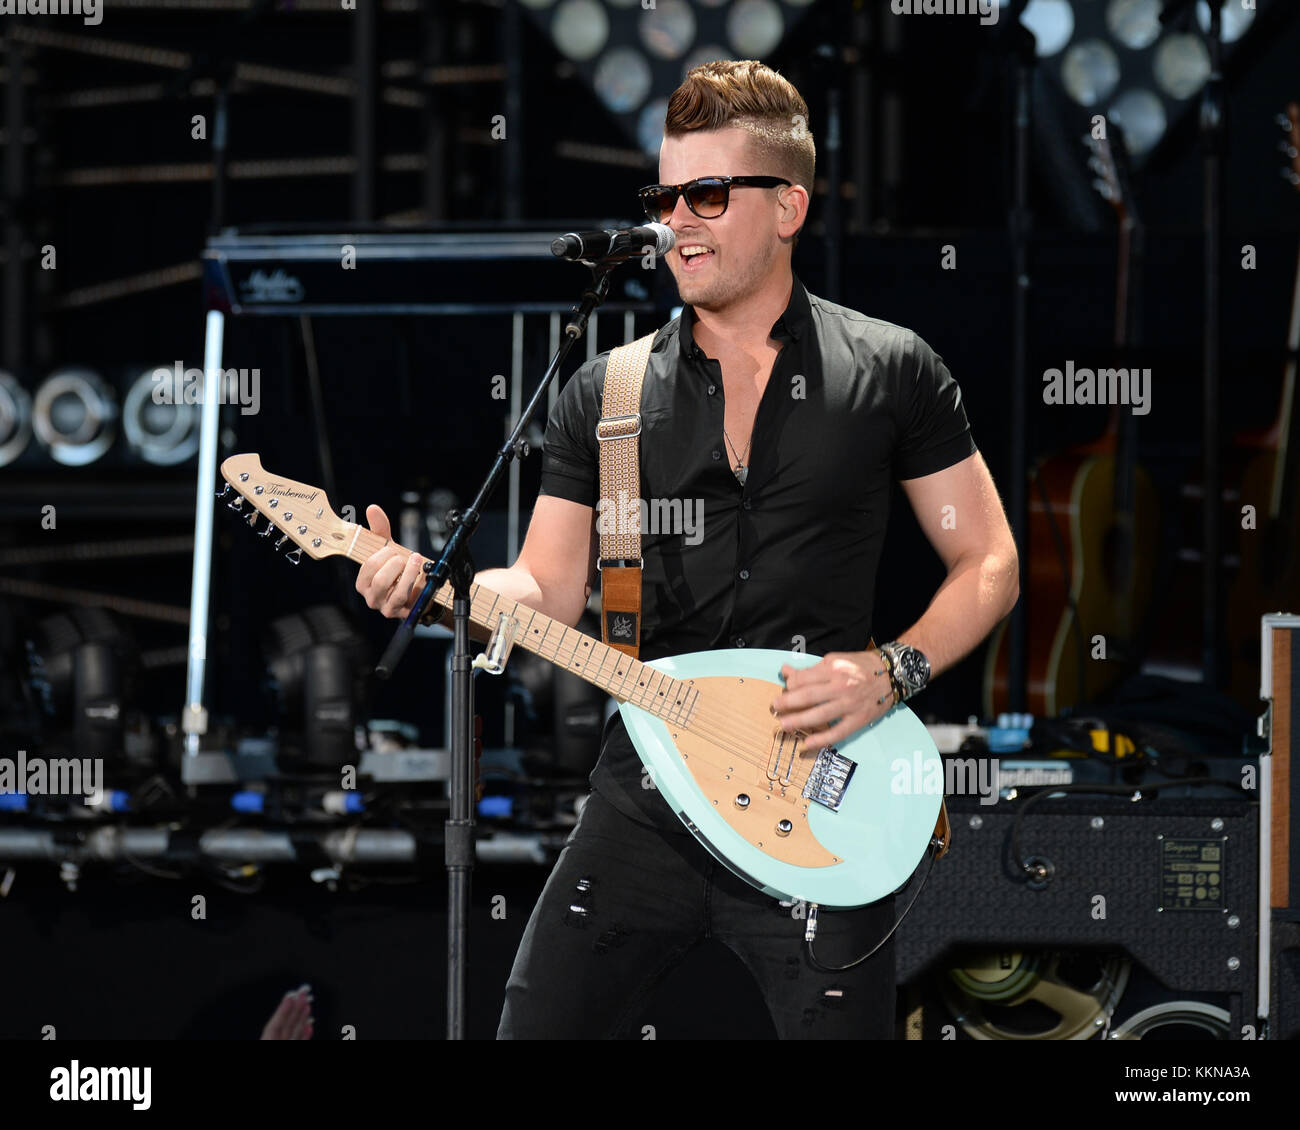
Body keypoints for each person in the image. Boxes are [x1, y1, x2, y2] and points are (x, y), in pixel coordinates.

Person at [356, 60, 1019, 1039]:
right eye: (663, 194)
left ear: (788, 205)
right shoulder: (607, 393)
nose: (676, 219)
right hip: (646, 793)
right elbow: (546, 584)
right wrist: (439, 583)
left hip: (822, 784)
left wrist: (892, 669)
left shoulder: (889, 370)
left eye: (707, 193)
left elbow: (989, 563)